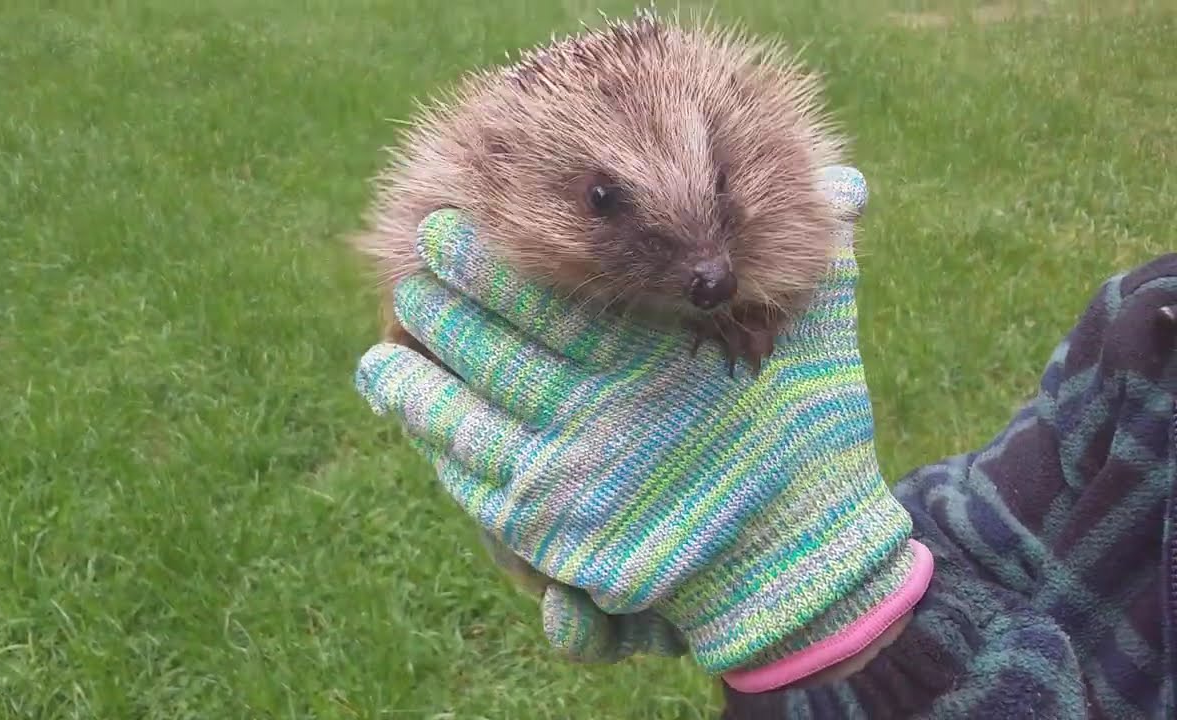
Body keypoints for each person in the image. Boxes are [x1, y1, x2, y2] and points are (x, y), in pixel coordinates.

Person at [353, 166, 1177, 719]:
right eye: (610, 202)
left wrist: (830, 618)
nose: (709, 273)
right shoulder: (1150, 331)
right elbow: (994, 529)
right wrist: (825, 540)